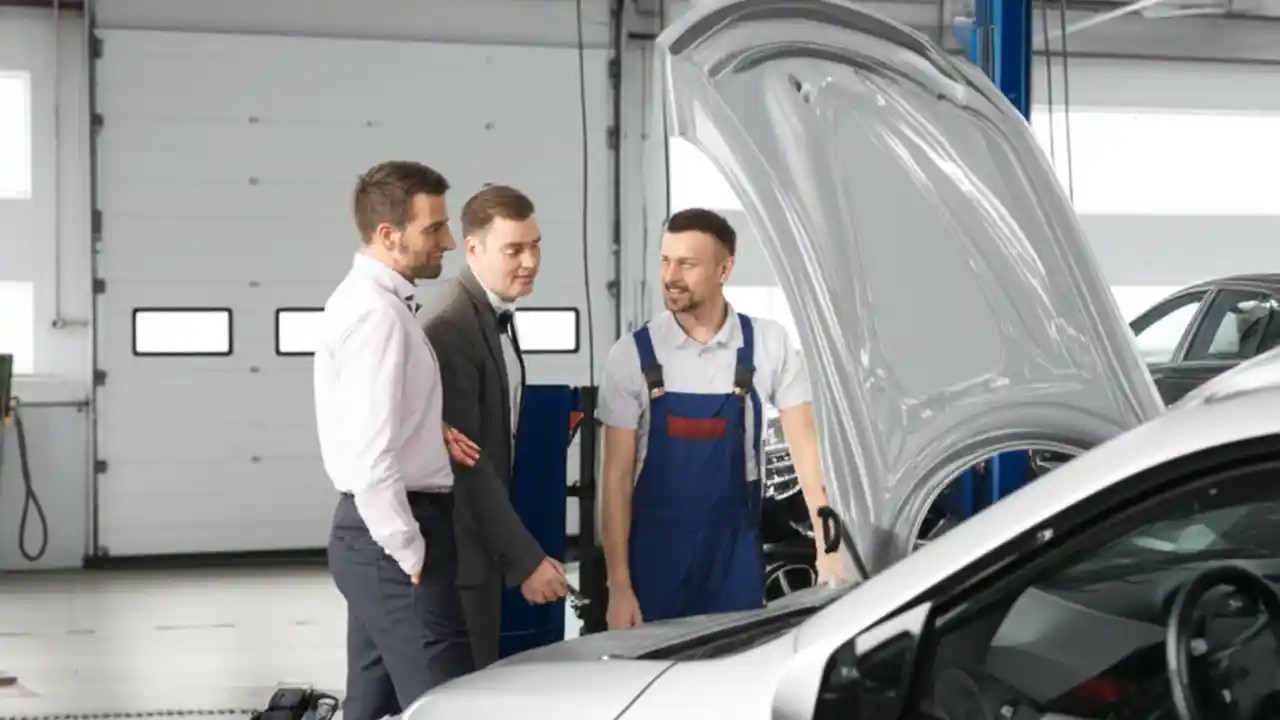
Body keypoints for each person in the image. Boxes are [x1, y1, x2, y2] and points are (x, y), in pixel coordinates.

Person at [599, 207, 847, 629]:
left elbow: (809, 456)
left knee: (732, 675)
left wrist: (829, 548)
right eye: (665, 260)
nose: (671, 275)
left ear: (724, 268)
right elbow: (616, 477)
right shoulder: (632, 354)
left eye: (687, 263)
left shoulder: (768, 345)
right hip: (653, 563)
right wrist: (618, 586)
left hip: (735, 558)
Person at [314, 160, 481, 720]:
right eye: (433, 228)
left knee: (372, 703)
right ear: (388, 235)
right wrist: (407, 549)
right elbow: (369, 457)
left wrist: (430, 434)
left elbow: (371, 417)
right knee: (447, 704)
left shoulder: (382, 305)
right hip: (394, 534)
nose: (449, 241)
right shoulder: (376, 317)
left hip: (380, 533)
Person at [423, 183, 568, 669]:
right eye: (515, 249)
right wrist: (526, 559)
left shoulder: (490, 315)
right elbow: (466, 464)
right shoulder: (451, 328)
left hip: (481, 555)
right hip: (459, 559)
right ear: (473, 248)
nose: (530, 260)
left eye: (536, 244)